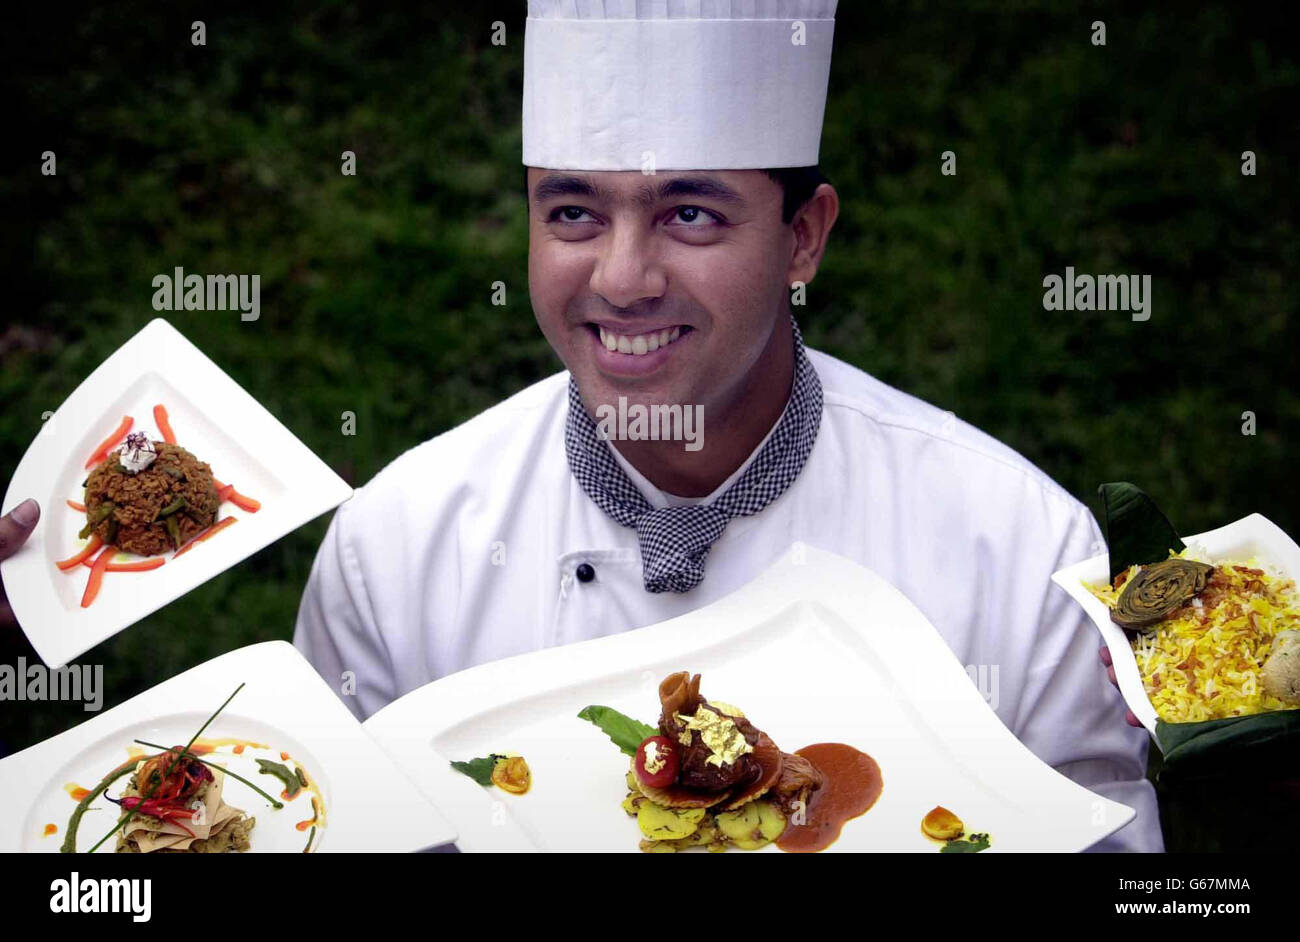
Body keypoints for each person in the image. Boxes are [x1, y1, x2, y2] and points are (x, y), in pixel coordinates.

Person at [291, 2, 1161, 851]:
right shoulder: (394, 548)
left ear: (803, 239)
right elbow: (321, 828)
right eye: (574, 214)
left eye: (690, 215)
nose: (623, 279)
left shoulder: (1021, 553)